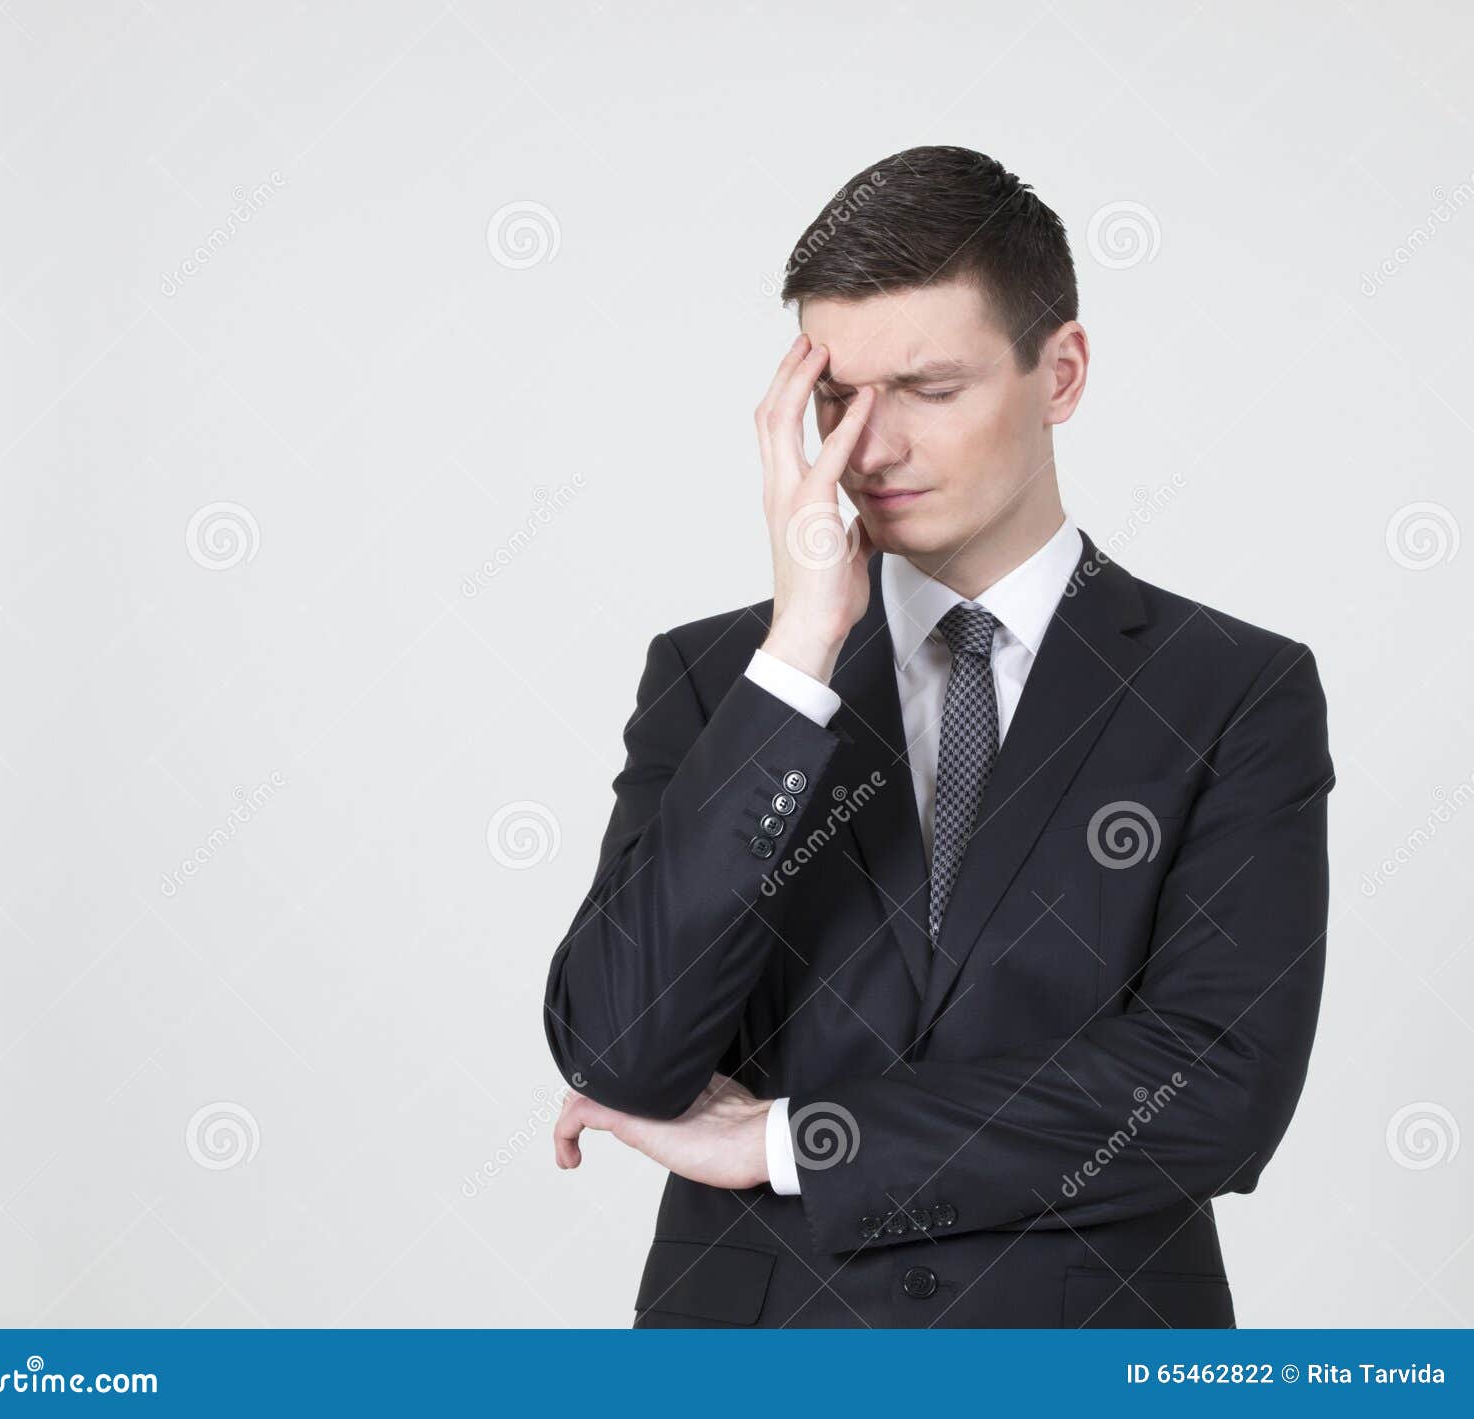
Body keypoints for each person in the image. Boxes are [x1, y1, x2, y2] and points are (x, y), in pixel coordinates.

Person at [543, 145, 1333, 1328]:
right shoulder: (723, 681)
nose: (872, 449)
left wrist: (790, 1139)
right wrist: (799, 657)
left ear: (1059, 372)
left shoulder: (1231, 689)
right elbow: (620, 1050)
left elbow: (1214, 1090)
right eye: (834, 400)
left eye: (928, 388)